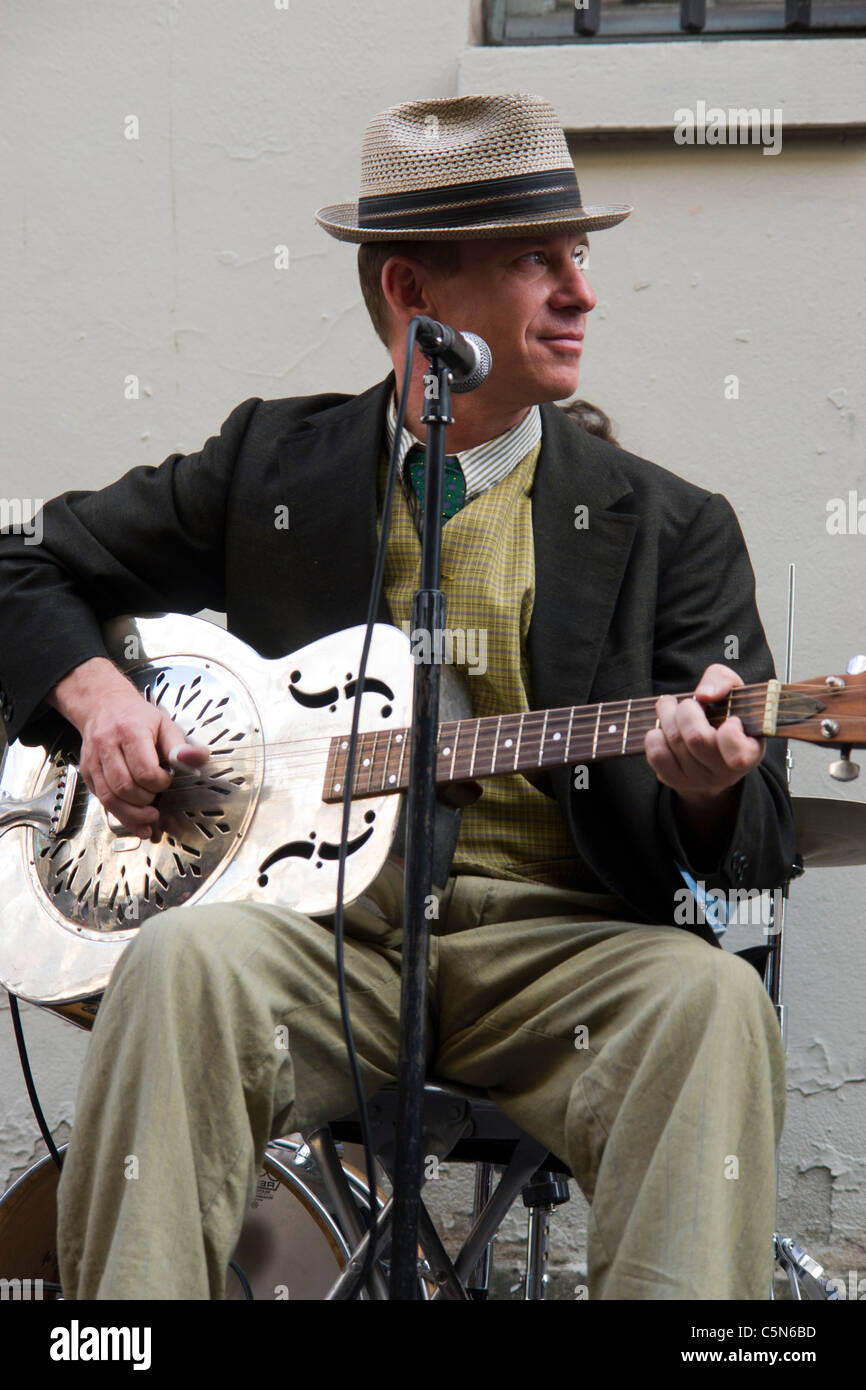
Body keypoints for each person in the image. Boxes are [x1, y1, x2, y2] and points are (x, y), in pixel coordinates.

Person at [0, 93, 796, 1300]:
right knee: (177, 967)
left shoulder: (674, 527)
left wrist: (703, 790)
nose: (580, 293)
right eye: (537, 259)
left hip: (558, 953)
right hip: (315, 943)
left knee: (712, 1004)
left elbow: (761, 838)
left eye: (577, 256)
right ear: (411, 298)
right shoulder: (272, 464)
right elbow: (23, 561)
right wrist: (101, 695)